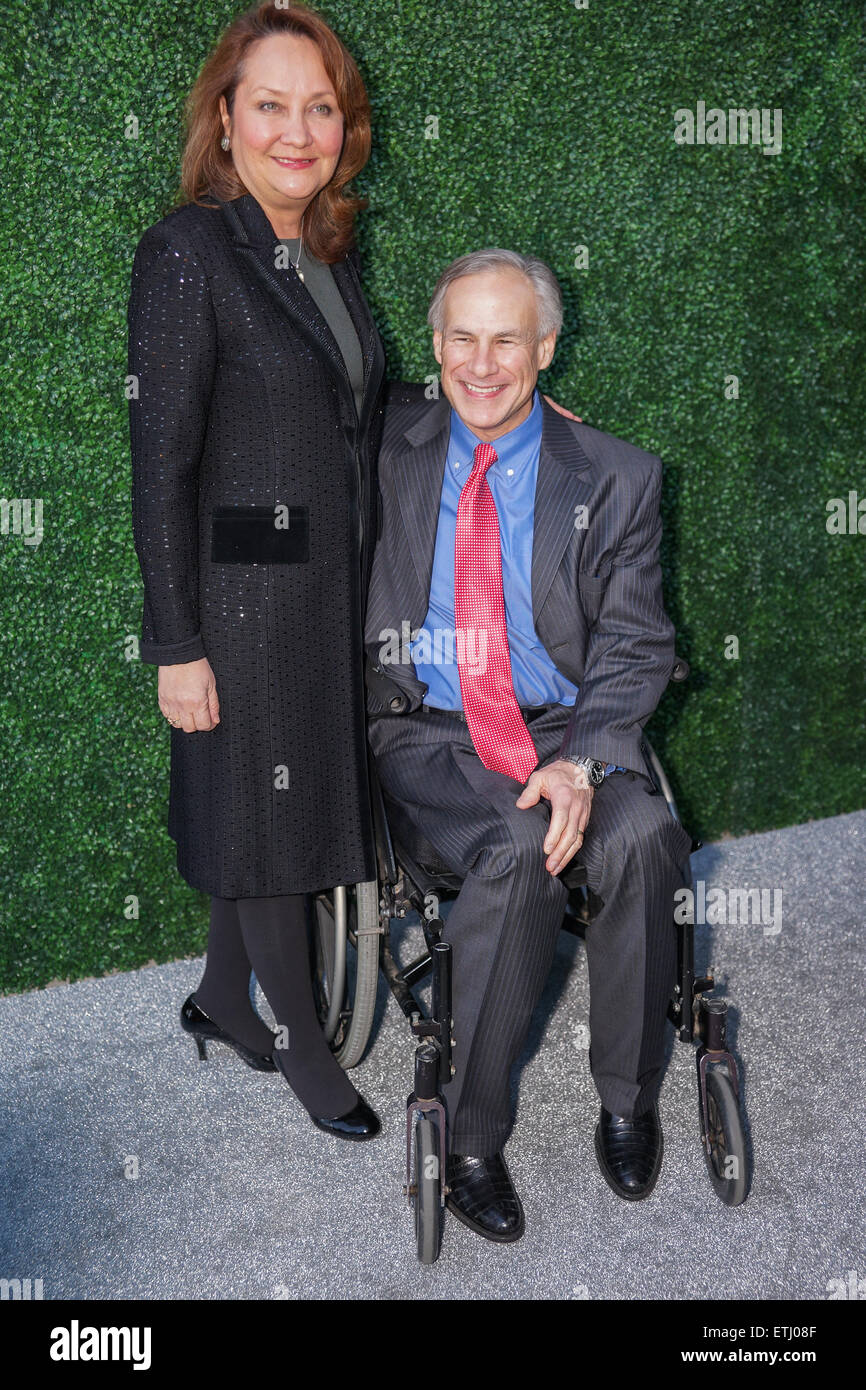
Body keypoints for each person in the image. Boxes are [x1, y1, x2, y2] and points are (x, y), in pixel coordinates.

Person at [365, 249, 695, 1239]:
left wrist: (584, 762)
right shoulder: (383, 444)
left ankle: (627, 1099)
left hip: (565, 728)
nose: (480, 362)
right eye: (460, 336)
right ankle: (471, 1137)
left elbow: (637, 640)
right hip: (430, 733)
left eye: (506, 338)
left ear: (545, 347)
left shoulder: (619, 478)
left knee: (639, 840)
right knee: (514, 851)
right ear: (433, 346)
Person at [128, 1, 387, 1139]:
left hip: (323, 583)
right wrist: (176, 641)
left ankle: (221, 997)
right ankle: (301, 1042)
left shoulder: (323, 249)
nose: (297, 130)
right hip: (239, 598)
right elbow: (159, 459)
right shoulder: (189, 250)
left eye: (318, 106)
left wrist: (501, 408)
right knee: (268, 822)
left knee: (260, 808)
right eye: (270, 104)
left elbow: (352, 408)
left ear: (343, 124)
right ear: (224, 120)